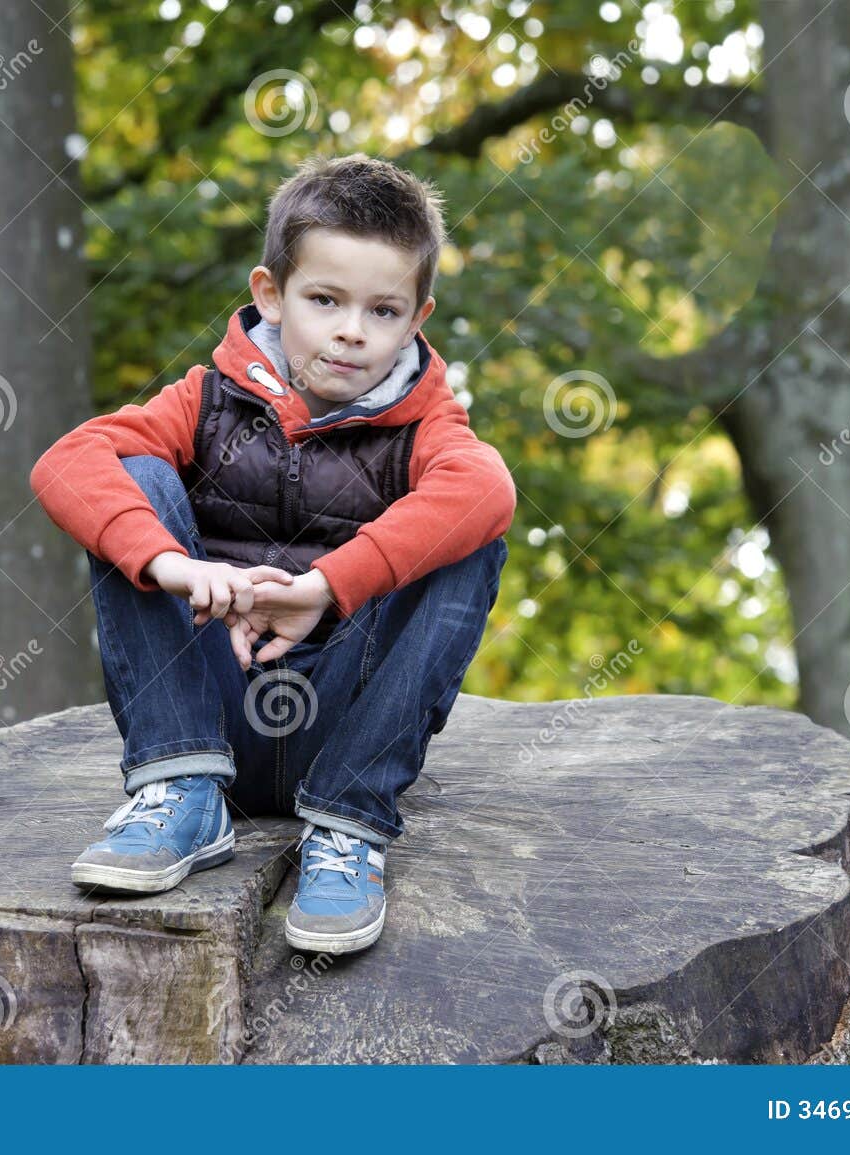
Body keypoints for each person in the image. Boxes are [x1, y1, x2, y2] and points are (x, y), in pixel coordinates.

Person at [28, 153, 514, 954]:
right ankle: (181, 790)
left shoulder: (427, 427)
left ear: (418, 318)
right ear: (271, 293)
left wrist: (325, 586)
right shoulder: (206, 399)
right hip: (212, 706)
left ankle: (350, 827)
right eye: (325, 300)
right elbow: (65, 462)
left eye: (384, 311)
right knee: (131, 474)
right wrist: (176, 567)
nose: (353, 330)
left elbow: (488, 491)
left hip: (341, 718)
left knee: (469, 539)